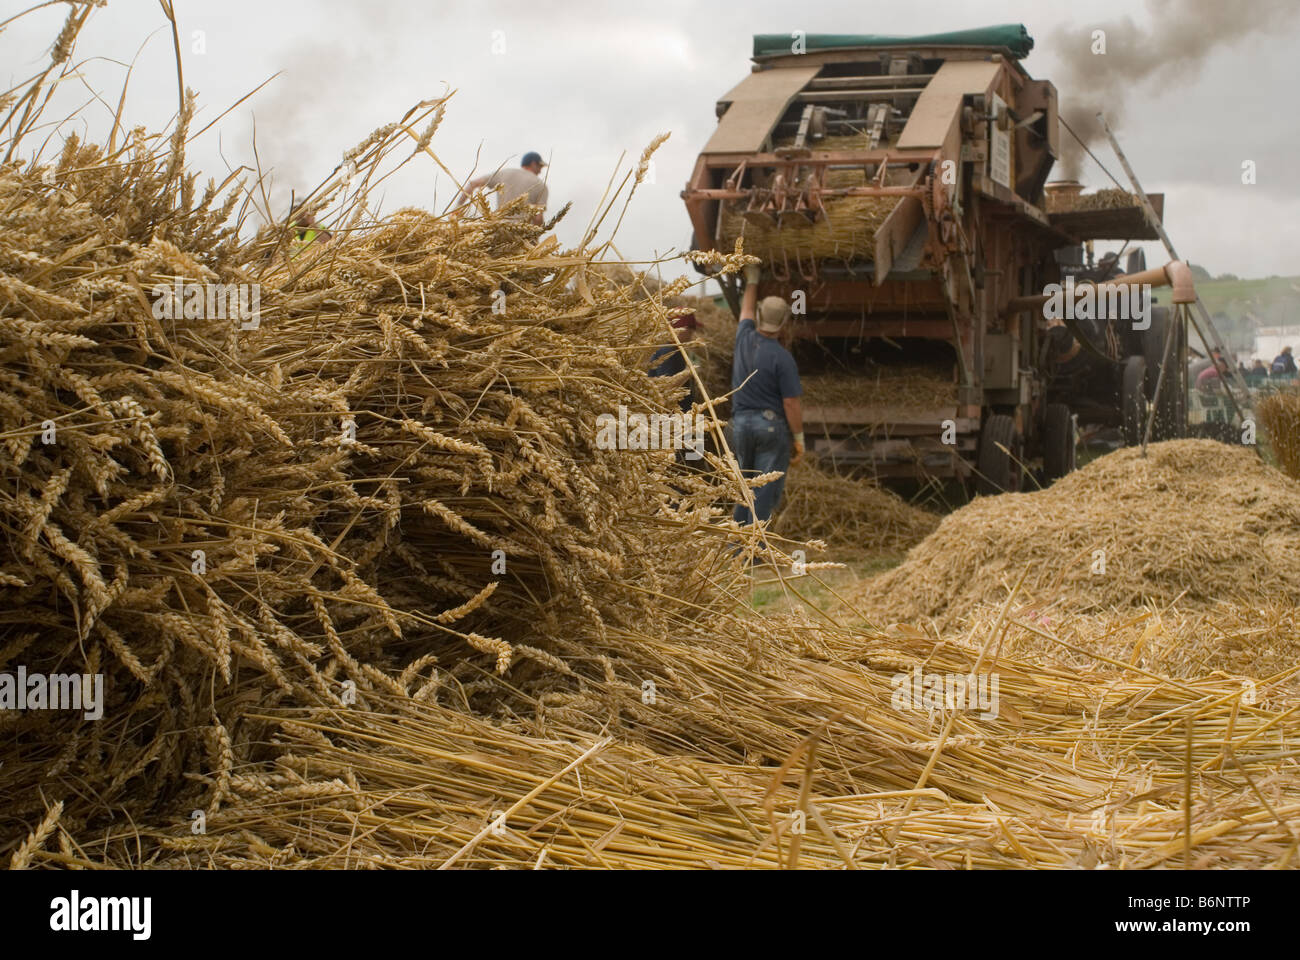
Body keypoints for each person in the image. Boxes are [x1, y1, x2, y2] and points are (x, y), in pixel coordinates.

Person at [730, 264, 803, 527]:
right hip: (769, 428)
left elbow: (746, 310)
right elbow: (791, 403)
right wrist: (799, 437)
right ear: (784, 323)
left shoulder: (743, 339)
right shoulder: (783, 359)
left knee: (741, 485)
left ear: (760, 316)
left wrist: (753, 278)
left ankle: (736, 547)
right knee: (763, 490)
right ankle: (756, 550)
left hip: (739, 425)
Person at [459, 151, 549, 226]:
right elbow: (538, 217)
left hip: (498, 231)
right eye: (540, 167)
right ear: (533, 164)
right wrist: (535, 236)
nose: (540, 171)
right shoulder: (541, 186)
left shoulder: (505, 173)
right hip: (522, 239)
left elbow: (472, 184)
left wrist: (458, 207)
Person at [649, 311, 700, 413]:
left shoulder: (671, 349)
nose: (692, 335)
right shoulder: (670, 352)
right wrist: (690, 371)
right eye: (690, 331)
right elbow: (666, 389)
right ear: (680, 329)